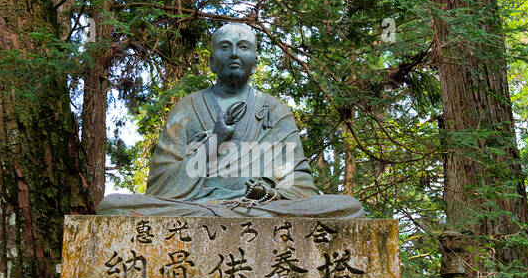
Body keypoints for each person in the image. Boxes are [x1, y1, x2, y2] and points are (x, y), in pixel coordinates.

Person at [96, 21, 365, 218]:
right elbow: (161, 186)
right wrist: (214, 141)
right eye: (225, 47)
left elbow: (299, 184)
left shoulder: (275, 109)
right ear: (212, 62)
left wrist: (269, 193)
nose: (235, 53)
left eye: (243, 47)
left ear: (254, 60)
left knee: (348, 209)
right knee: (113, 207)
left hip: (260, 207)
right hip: (197, 207)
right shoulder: (187, 108)